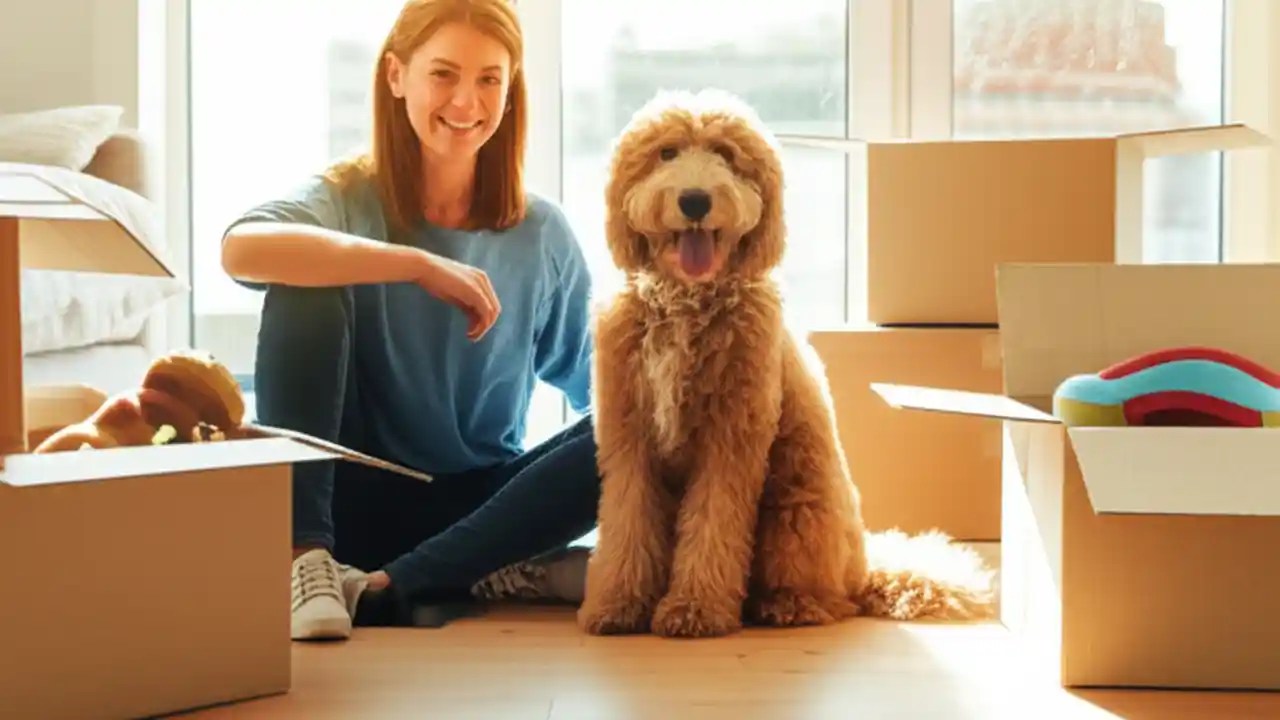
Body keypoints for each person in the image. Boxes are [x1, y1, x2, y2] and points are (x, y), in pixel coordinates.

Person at [220, 0, 601, 641]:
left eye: (489, 79)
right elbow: (241, 249)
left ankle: (398, 585)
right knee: (303, 280)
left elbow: (603, 387)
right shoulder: (343, 198)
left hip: (479, 511)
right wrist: (416, 266)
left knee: (642, 417)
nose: (466, 101)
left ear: (511, 89)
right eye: (443, 74)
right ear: (396, 75)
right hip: (347, 510)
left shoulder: (542, 232)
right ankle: (304, 564)